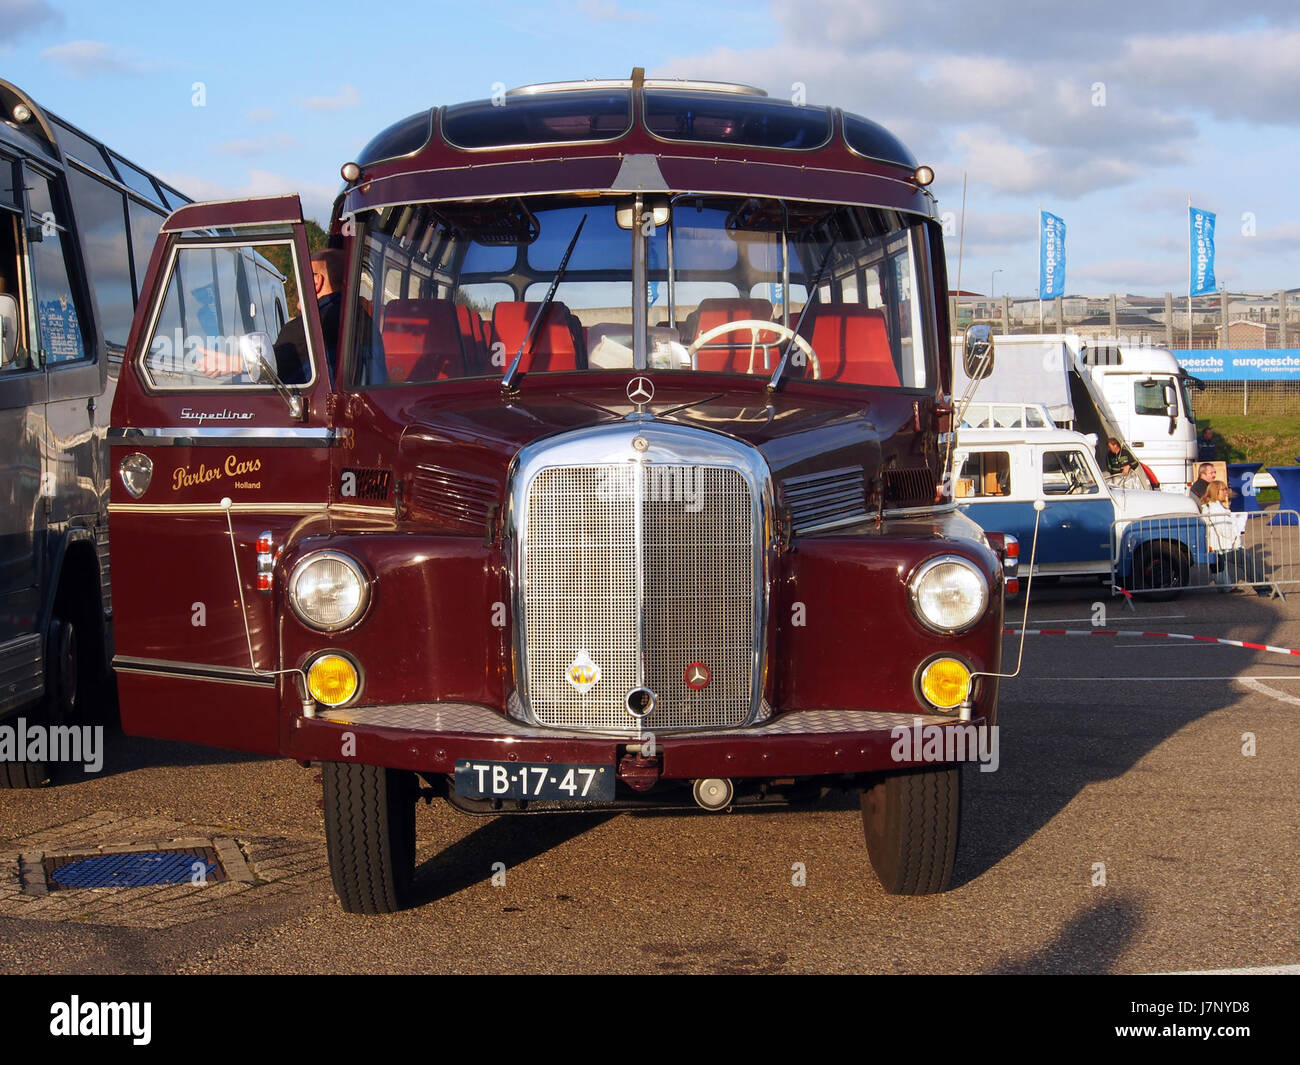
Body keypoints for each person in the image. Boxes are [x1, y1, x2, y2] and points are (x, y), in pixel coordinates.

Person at [274, 248, 386, 386]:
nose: (297, 285)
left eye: (301, 277)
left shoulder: (303, 330)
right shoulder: (367, 324)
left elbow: (271, 386)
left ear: (316, 282)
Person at [1201, 481, 1246, 590]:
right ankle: (1226, 587)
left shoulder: (1209, 506)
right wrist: (1235, 534)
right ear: (1215, 491)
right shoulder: (1215, 508)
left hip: (1217, 542)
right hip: (1222, 542)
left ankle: (1225, 587)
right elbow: (1222, 528)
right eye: (1223, 490)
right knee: (1243, 562)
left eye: (1226, 489)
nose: (1226, 492)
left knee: (1219, 565)